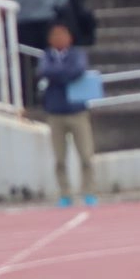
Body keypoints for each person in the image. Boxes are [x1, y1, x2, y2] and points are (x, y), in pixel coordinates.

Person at [37, 22, 98, 207]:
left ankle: (89, 191)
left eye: (62, 35)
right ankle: (65, 193)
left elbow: (77, 70)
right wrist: (63, 75)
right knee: (60, 158)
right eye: (55, 36)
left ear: (69, 38)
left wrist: (57, 76)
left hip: (77, 111)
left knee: (86, 155)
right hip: (55, 113)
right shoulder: (46, 56)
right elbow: (43, 71)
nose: (59, 39)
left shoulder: (76, 54)